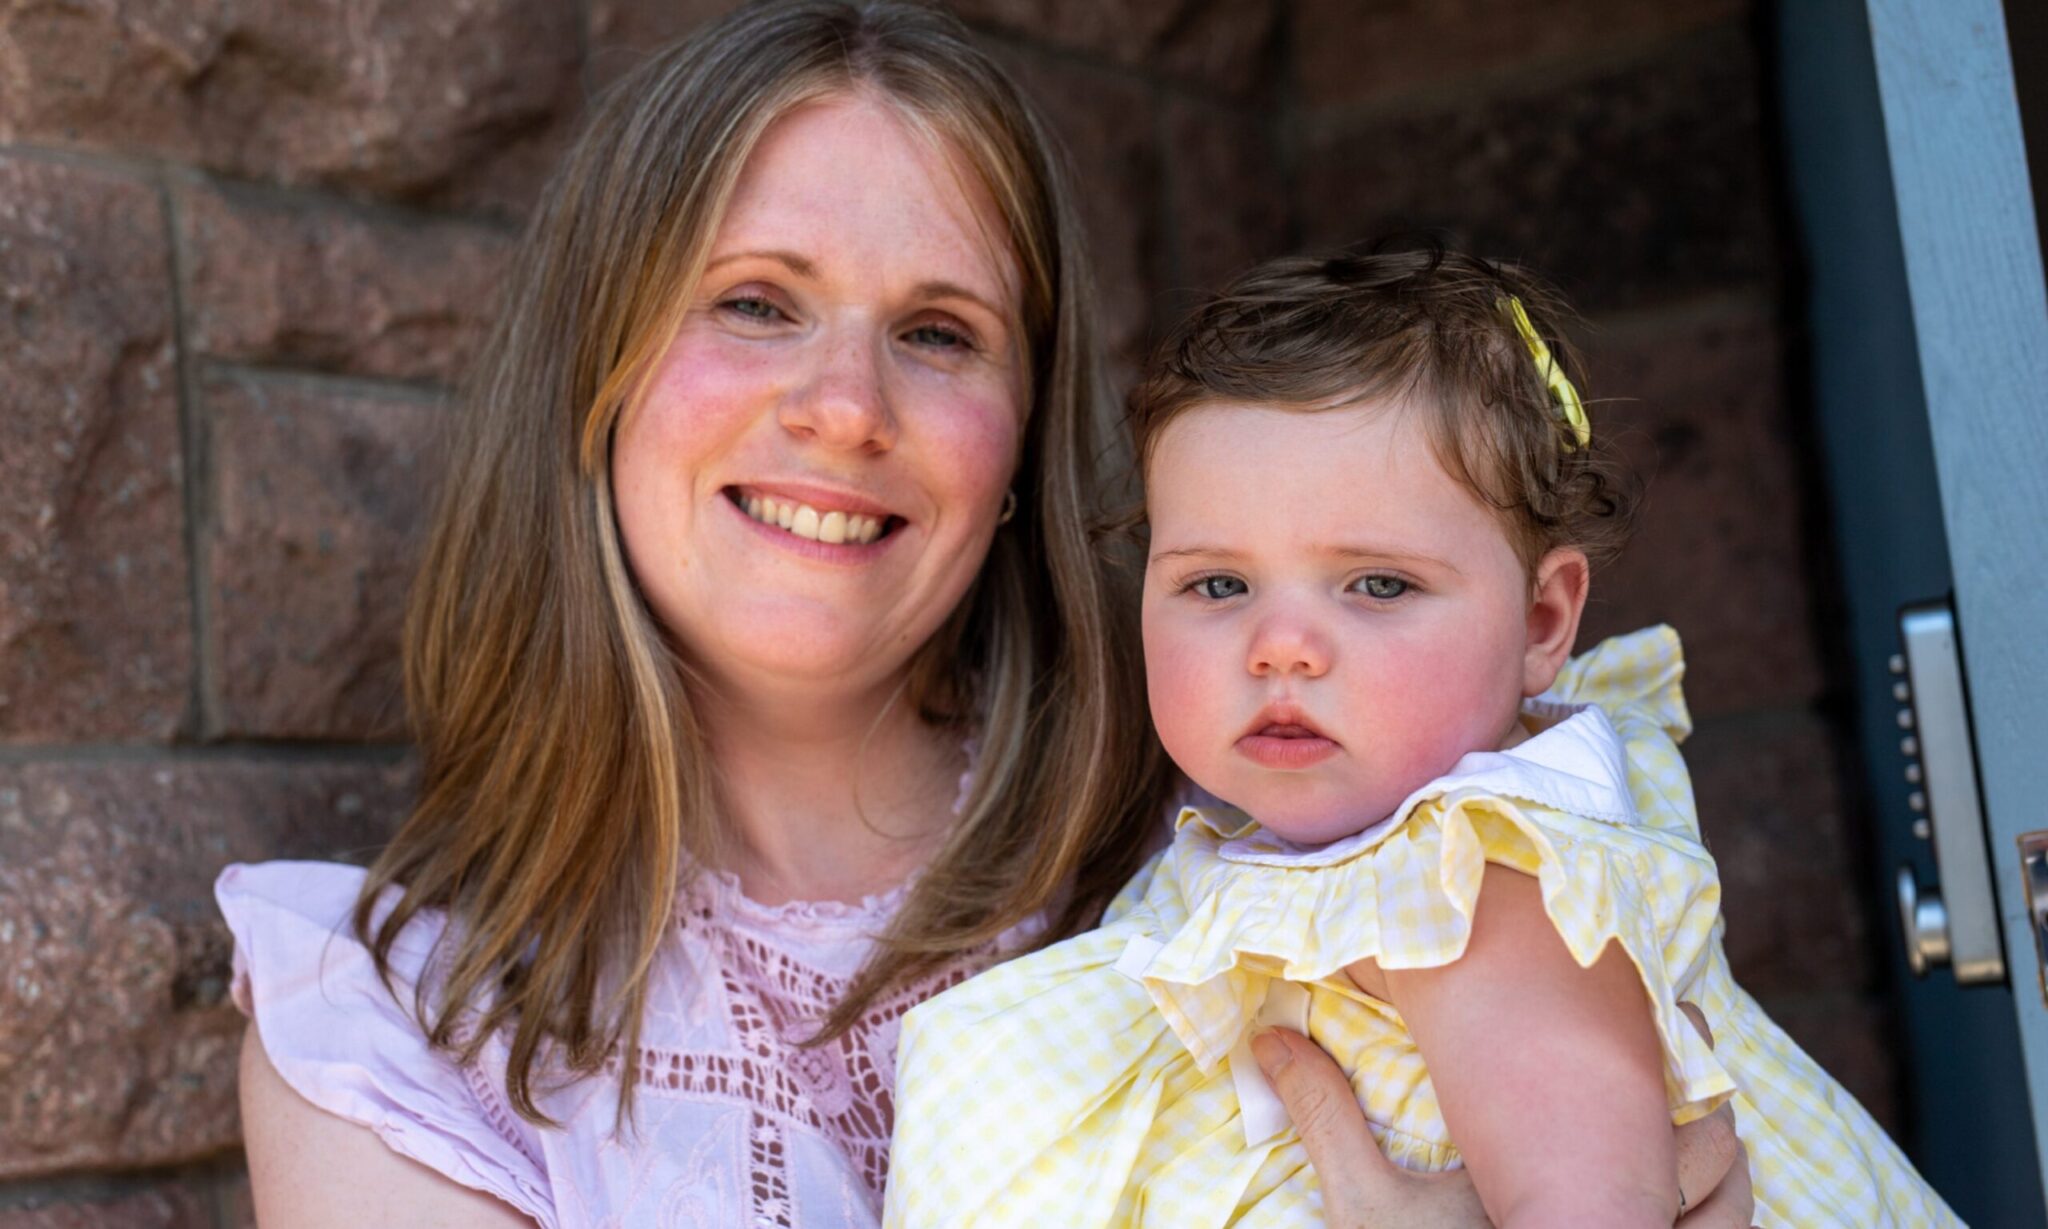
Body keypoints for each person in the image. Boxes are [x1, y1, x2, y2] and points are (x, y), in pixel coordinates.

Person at [216, 5, 1751, 1225]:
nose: (842, 408)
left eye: (939, 332)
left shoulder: (1285, 825)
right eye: (756, 300)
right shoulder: (397, 1031)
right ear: (596, 374)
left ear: (1024, 435)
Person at [886, 245, 1957, 1228]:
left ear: (1541, 621)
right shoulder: (1338, 855)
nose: (1281, 645)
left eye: (1378, 583)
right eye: (1217, 582)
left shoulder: (1480, 870)